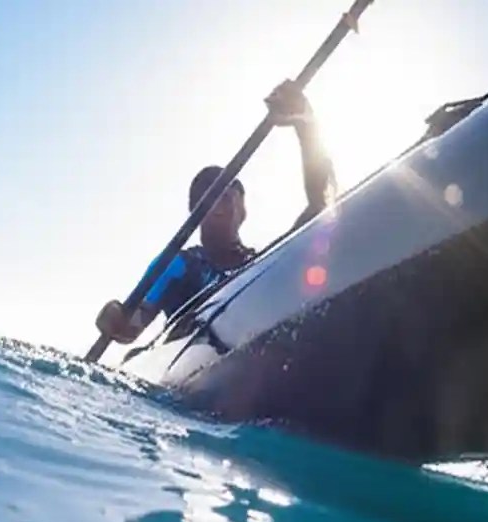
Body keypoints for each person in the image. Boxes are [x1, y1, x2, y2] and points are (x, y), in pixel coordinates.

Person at [95, 80, 336, 345]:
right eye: (209, 196)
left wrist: (307, 125)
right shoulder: (179, 264)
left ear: (243, 208)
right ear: (194, 212)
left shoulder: (262, 264)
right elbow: (130, 327)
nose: (222, 202)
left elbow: (321, 206)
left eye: (229, 193)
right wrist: (115, 317)